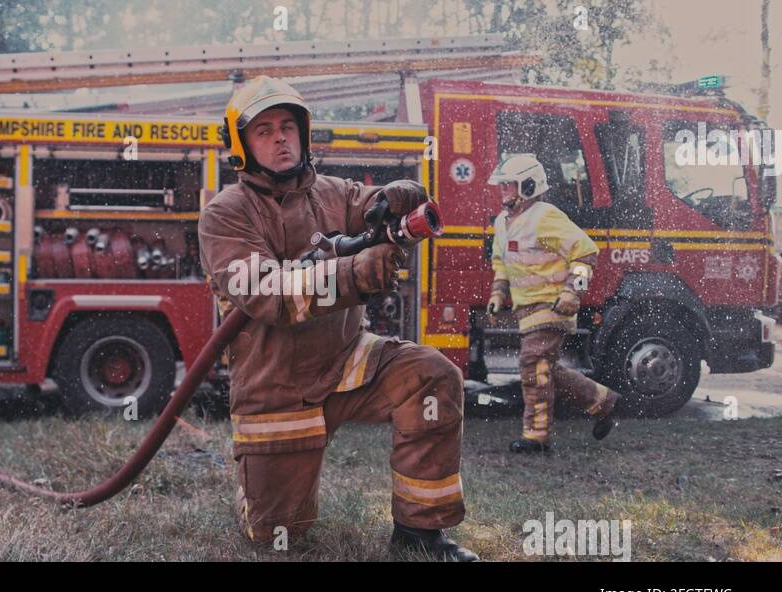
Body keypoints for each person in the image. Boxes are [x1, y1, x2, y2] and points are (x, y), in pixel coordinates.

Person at [198, 76, 476, 560]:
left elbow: (370, 204)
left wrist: (401, 195)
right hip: (277, 386)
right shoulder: (225, 214)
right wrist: (353, 273)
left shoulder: (331, 192)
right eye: (263, 131)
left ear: (304, 134)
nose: (280, 138)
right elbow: (269, 294)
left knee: (431, 376)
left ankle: (419, 534)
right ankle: (253, 490)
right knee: (280, 535)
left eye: (288, 126)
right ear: (241, 146)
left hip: (350, 362)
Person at [485, 154, 620, 453]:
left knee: (532, 364)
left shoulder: (545, 216)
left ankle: (536, 436)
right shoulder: (502, 223)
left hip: (552, 307)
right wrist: (497, 295)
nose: (503, 190)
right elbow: (501, 264)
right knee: (546, 368)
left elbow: (586, 253)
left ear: (529, 186)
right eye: (502, 185)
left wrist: (573, 292)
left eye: (509, 185)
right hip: (526, 311)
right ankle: (602, 401)